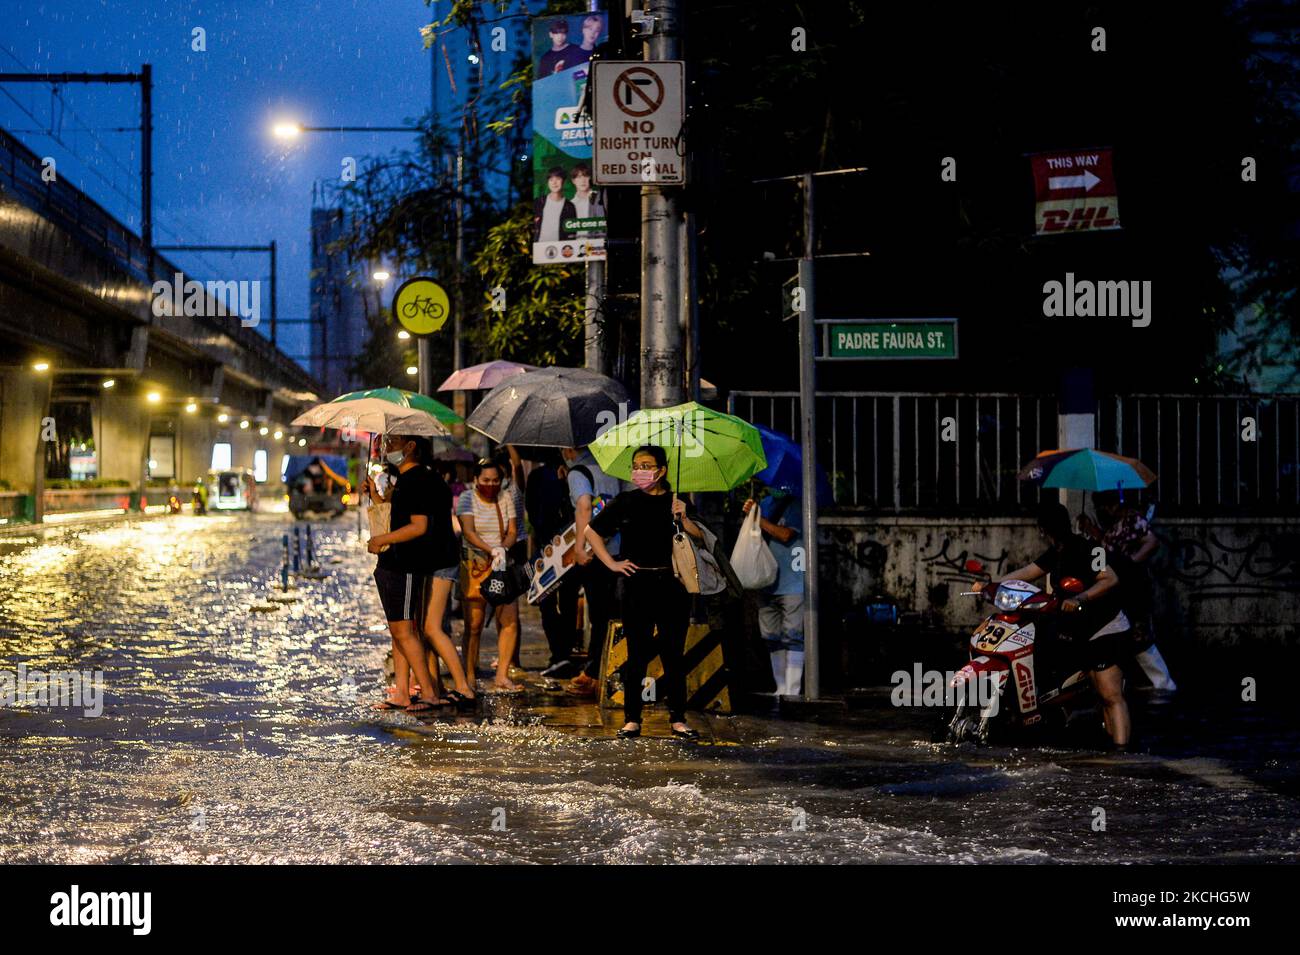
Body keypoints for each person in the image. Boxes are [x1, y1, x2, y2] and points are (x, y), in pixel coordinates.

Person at [975, 501, 1132, 748]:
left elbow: (1110, 578)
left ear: (1043, 529)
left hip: (1105, 625)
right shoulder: (1056, 552)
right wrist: (991, 584)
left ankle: (1122, 756)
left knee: (1110, 695)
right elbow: (1028, 572)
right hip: (1078, 627)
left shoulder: (1089, 548)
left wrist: (1080, 597)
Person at [584, 445, 703, 740]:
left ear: (662, 470)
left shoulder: (678, 501)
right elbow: (591, 532)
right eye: (636, 465)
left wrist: (684, 518)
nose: (640, 471)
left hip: (672, 585)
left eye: (647, 465)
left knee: (673, 653)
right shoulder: (626, 501)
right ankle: (632, 719)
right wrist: (612, 563)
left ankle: (678, 718)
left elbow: (701, 538)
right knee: (636, 654)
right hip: (636, 584)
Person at [364, 434, 474, 713]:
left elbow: (418, 526)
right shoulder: (413, 479)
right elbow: (401, 515)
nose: (387, 448)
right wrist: (376, 497)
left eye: (393, 442)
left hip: (430, 561)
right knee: (404, 630)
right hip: (422, 561)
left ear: (411, 447)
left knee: (427, 628)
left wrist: (381, 539)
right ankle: (410, 690)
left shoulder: (418, 480)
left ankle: (453, 689)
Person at [1079, 491, 1177, 692]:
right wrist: (1090, 528)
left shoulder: (1132, 519)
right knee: (1128, 633)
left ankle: (1163, 682)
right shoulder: (1117, 524)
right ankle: (1147, 681)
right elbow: (1109, 545)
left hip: (1134, 585)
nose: (1105, 509)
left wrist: (1131, 563)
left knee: (1140, 634)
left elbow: (1152, 542)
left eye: (1108, 504)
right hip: (1119, 586)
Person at [562, 444, 622, 698]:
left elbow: (584, 506)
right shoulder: (611, 469)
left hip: (593, 553)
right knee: (610, 614)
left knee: (598, 616)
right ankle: (606, 669)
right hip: (616, 549)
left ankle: (594, 673)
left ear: (569, 450)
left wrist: (579, 547)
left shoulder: (578, 473)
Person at [456, 460, 522, 692]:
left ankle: (502, 675)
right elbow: (468, 531)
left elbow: (513, 530)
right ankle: (470, 675)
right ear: (476, 480)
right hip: (475, 566)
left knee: (510, 621)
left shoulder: (505, 497)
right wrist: (489, 549)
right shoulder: (467, 498)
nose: (491, 485)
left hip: (502, 565)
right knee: (473, 625)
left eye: (495, 480)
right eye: (486, 480)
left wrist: (502, 548)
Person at [742, 486, 804, 695]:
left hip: (794, 581)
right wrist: (752, 514)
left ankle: (793, 690)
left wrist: (759, 519)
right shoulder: (766, 504)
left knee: (793, 635)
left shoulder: (799, 504)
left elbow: (785, 534)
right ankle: (781, 688)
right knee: (770, 636)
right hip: (766, 581)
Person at [526, 452, 581, 677]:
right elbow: (534, 511)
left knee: (559, 602)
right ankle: (560, 653)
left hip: (561, 549)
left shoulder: (574, 475)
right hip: (553, 550)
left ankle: (561, 654)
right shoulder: (541, 476)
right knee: (554, 602)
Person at [559, 164, 605, 240]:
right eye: (579, 177)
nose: (583, 180)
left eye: (586, 176)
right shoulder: (570, 204)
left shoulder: (600, 198)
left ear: (591, 178)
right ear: (573, 181)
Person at [533, 166, 568, 243]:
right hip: (539, 247)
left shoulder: (569, 206)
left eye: (558, 179)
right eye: (551, 179)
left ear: (564, 181)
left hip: (560, 248)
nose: (554, 183)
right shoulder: (539, 202)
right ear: (548, 182)